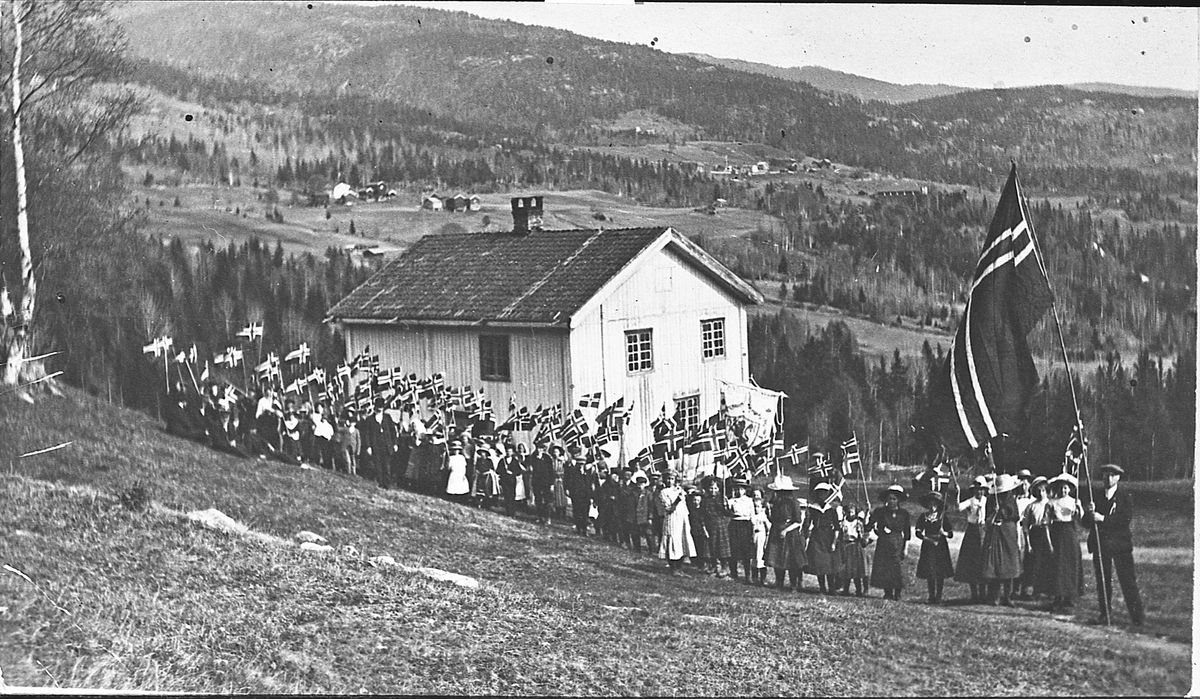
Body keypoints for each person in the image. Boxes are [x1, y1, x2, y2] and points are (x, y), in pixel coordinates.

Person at [1083, 464, 1145, 626]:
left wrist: (1101, 518)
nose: (1108, 479)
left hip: (1120, 546)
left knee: (1127, 581)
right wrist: (1088, 513)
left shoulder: (1125, 496)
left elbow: (1124, 520)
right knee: (1103, 581)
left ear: (1118, 477)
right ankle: (1105, 614)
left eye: (1112, 475)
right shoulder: (1094, 495)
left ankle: (1137, 618)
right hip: (1101, 544)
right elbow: (1086, 523)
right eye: (1105, 475)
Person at [981, 473, 1022, 606]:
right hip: (994, 531)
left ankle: (1007, 596)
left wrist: (1003, 511)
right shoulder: (991, 499)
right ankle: (994, 595)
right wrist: (995, 511)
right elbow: (987, 518)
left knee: (1009, 563)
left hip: (1008, 532)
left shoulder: (1011, 500)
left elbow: (1015, 515)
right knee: (995, 564)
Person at [1046, 472, 1084, 614]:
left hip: (1070, 532)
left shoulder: (1074, 502)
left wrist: (1079, 508)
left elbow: (1079, 519)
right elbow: (1048, 521)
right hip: (1057, 532)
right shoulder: (1052, 503)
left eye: (1066, 488)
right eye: (1062, 488)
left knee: (1070, 563)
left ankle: (1069, 596)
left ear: (1070, 489)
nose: (1064, 490)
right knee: (1058, 564)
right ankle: (1058, 597)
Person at [868, 484, 911, 601]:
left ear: (898, 500)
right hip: (884, 543)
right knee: (885, 567)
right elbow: (869, 526)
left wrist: (905, 548)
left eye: (894, 499)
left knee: (897, 568)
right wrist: (869, 514)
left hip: (898, 542)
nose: (891, 501)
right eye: (889, 499)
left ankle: (898, 592)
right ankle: (888, 592)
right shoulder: (880, 512)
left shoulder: (904, 514)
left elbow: (907, 532)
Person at [765, 475, 807, 591]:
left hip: (790, 533)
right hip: (776, 530)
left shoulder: (793, 503)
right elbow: (773, 519)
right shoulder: (776, 502)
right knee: (777, 558)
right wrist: (768, 513)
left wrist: (785, 530)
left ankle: (794, 584)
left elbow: (798, 521)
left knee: (791, 560)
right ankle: (779, 582)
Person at [954, 475, 991, 603]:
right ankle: (974, 594)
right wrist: (957, 493)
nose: (979, 492)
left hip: (984, 530)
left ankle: (984, 594)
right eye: (976, 489)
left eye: (981, 489)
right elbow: (959, 507)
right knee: (971, 562)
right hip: (972, 532)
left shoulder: (988, 501)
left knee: (983, 561)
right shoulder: (970, 501)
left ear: (985, 490)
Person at [915, 491, 954, 604]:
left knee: (939, 571)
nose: (932, 507)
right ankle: (931, 596)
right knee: (930, 571)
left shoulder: (943, 518)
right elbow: (918, 532)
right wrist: (926, 539)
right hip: (928, 546)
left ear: (938, 505)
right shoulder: (924, 516)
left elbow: (951, 534)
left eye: (935, 505)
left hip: (940, 546)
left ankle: (939, 596)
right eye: (930, 504)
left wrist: (944, 533)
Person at [804, 482, 842, 595]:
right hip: (817, 536)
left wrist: (834, 542)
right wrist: (807, 519)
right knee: (819, 562)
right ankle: (822, 587)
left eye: (824, 493)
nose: (822, 496)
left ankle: (831, 587)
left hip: (828, 537)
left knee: (830, 563)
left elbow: (837, 527)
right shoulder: (812, 509)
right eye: (819, 493)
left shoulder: (831, 510)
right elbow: (807, 525)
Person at [1022, 476, 1054, 602]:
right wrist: (1028, 543)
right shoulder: (1031, 506)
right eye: (1038, 491)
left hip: (1049, 534)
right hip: (1035, 534)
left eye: (1043, 490)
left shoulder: (1051, 503)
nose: (1041, 493)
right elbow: (1025, 525)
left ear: (1047, 491)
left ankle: (1049, 590)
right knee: (1035, 563)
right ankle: (1036, 590)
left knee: (1048, 562)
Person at [658, 471, 696, 574]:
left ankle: (680, 567)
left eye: (672, 479)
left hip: (682, 518)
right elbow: (669, 508)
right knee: (673, 540)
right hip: (672, 518)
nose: (670, 481)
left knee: (682, 540)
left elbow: (685, 505)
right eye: (668, 478)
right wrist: (677, 500)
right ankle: (673, 567)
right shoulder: (663, 492)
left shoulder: (679, 490)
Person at [700, 477, 732, 578]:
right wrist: (704, 527)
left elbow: (728, 513)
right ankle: (714, 565)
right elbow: (702, 515)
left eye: (715, 488)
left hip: (720, 525)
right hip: (710, 525)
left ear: (719, 489)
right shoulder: (705, 500)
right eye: (711, 488)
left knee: (721, 547)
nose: (713, 490)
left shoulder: (721, 499)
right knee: (712, 547)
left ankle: (725, 567)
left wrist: (726, 506)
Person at [726, 479, 756, 582]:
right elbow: (727, 512)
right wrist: (726, 504)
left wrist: (753, 527)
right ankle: (733, 572)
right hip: (735, 524)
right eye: (737, 489)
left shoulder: (749, 500)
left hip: (746, 524)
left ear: (745, 490)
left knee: (746, 550)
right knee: (733, 548)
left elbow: (752, 515)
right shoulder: (731, 501)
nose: (739, 491)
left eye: (741, 489)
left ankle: (748, 574)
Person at [837, 502, 869, 597]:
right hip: (846, 546)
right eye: (848, 512)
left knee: (856, 569)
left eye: (852, 512)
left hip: (856, 546)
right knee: (847, 569)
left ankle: (858, 590)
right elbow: (840, 535)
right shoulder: (843, 523)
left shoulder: (858, 523)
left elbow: (863, 536)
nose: (850, 514)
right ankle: (845, 589)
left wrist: (860, 533)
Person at [529, 442, 556, 524]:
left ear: (544, 449)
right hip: (537, 482)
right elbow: (530, 466)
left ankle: (548, 518)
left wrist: (551, 484)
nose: (538, 450)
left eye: (540, 448)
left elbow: (551, 472)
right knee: (538, 500)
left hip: (546, 483)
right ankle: (539, 517)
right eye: (537, 448)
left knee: (547, 501)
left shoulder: (547, 458)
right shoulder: (533, 457)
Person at [750, 489, 771, 585]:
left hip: (761, 536)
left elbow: (769, 527)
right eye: (754, 507)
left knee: (761, 557)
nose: (756, 509)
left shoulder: (762, 515)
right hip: (753, 536)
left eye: (758, 507)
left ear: (762, 508)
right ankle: (754, 577)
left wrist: (767, 537)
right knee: (754, 557)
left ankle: (763, 578)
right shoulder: (752, 516)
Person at [444, 438, 471, 503]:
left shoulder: (462, 457)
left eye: (457, 450)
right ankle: (453, 497)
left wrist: (463, 474)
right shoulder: (451, 458)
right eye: (454, 450)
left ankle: (460, 498)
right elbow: (449, 467)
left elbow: (464, 466)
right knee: (453, 485)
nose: (456, 451)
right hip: (454, 473)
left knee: (461, 486)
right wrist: (448, 463)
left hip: (460, 473)